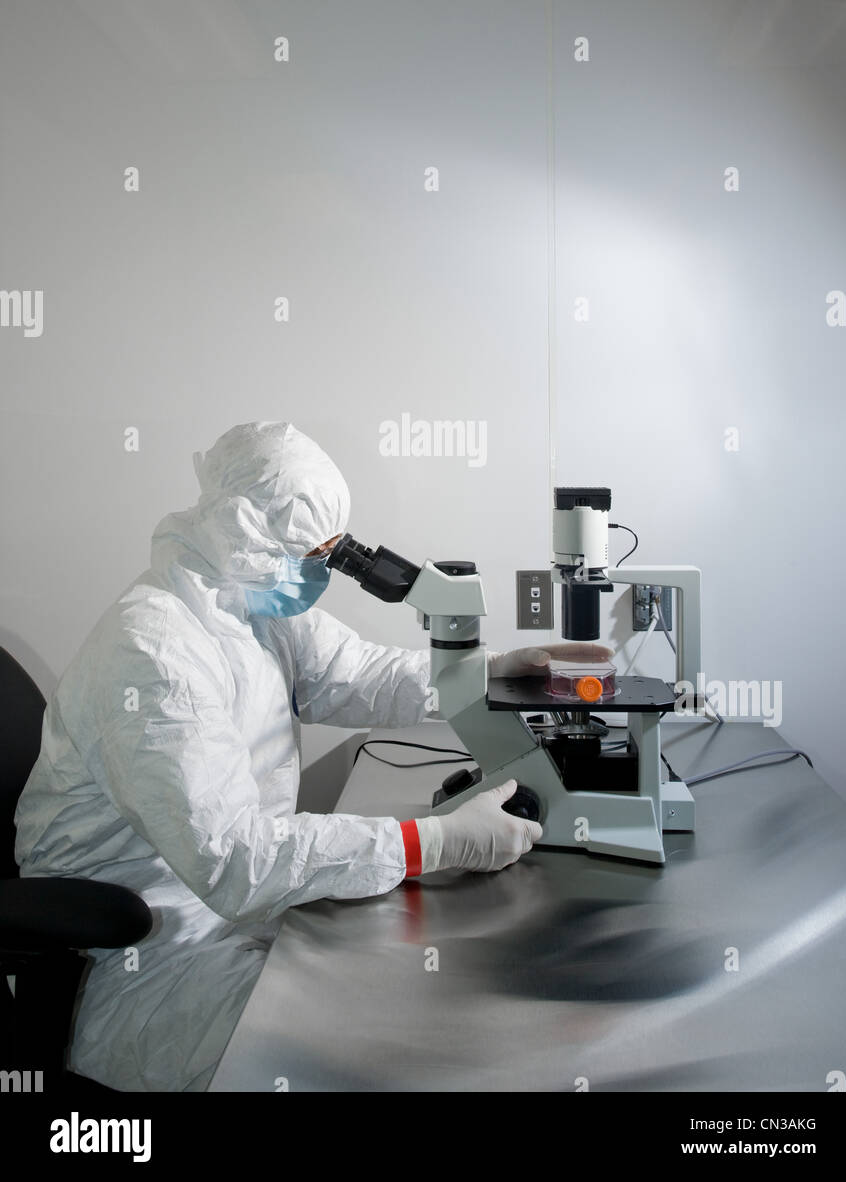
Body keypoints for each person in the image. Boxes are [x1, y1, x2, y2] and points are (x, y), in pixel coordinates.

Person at [15, 422, 612, 1092]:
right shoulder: (155, 656)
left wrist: (488, 673)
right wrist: (433, 843)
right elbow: (235, 858)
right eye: (314, 554)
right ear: (246, 534)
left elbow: (356, 673)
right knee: (358, 1053)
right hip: (151, 960)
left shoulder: (245, 600)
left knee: (394, 1001)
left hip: (236, 917)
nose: (324, 572)